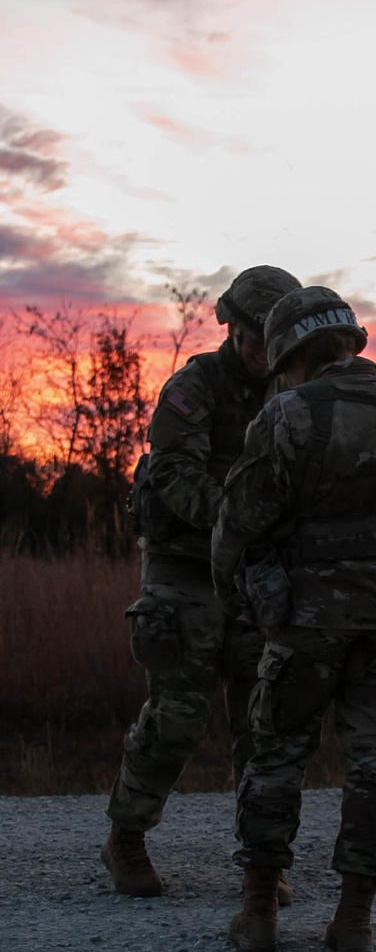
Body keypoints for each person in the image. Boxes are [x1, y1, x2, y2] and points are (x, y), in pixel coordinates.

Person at [212, 286, 376, 952]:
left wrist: (236, 595)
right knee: (374, 766)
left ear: (291, 355)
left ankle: (260, 916)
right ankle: (354, 923)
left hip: (305, 623)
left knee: (275, 756)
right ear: (351, 342)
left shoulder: (286, 414)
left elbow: (239, 523)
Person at [102, 266, 302, 899]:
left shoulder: (293, 393)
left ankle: (262, 861)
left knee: (263, 719)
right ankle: (126, 837)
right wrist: (242, 520)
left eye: (276, 338)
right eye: (256, 336)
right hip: (185, 566)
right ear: (232, 328)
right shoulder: (193, 388)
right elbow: (175, 477)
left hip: (254, 573)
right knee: (179, 714)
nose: (265, 350)